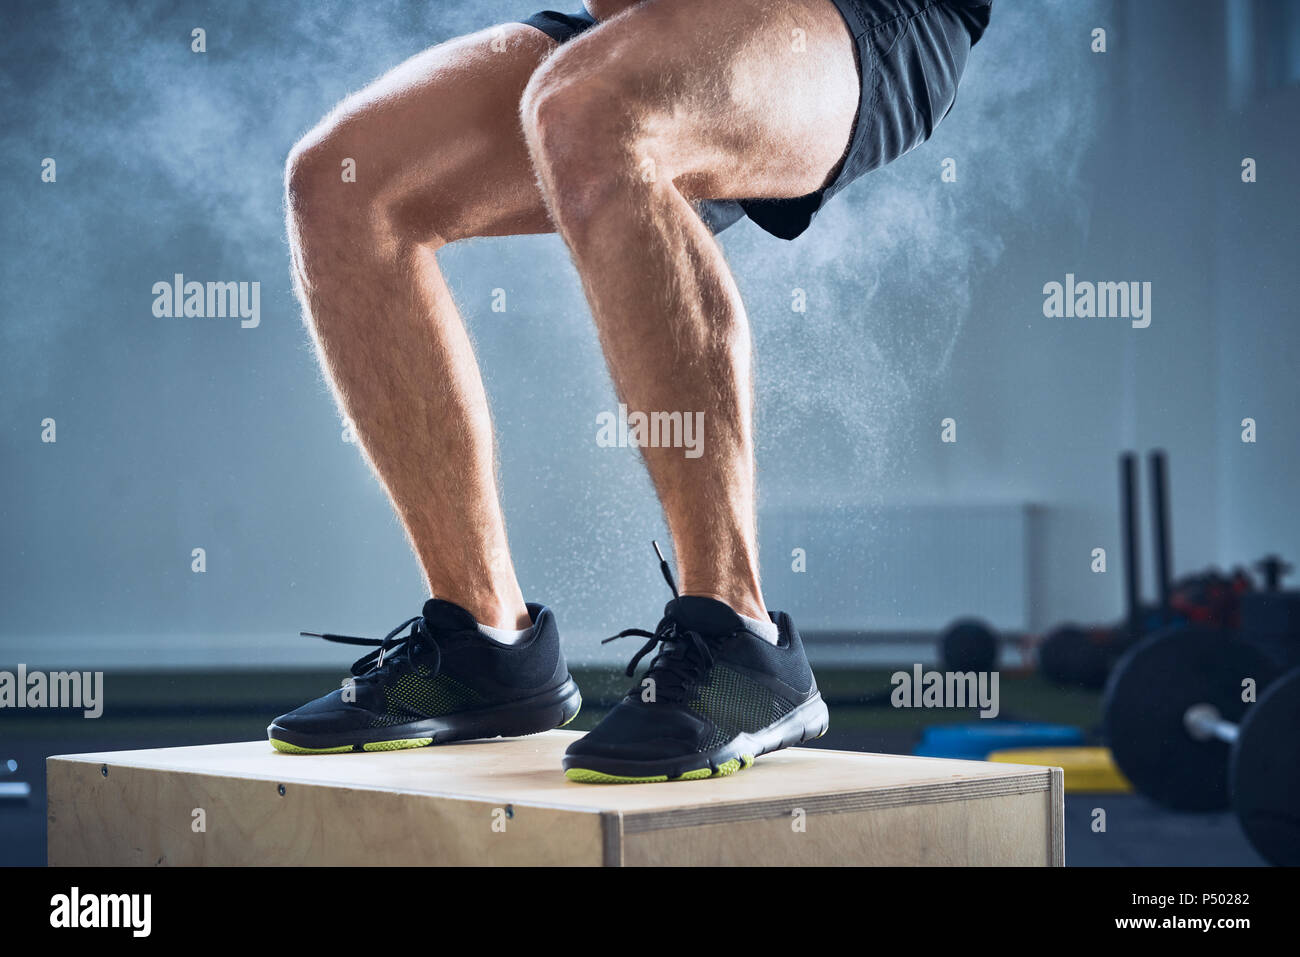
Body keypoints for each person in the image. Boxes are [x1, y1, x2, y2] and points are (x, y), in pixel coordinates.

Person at [269, 0, 992, 781]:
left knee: (593, 106)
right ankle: (486, 646)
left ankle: (742, 647)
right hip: (648, 20)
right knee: (341, 184)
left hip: (865, 17)